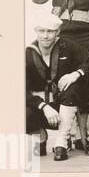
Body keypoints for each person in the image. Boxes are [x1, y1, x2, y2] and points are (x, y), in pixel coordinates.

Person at [25, 13, 64, 156]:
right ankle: (40, 135)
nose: (45, 36)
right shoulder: (28, 54)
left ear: (57, 32)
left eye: (50, 31)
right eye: (41, 31)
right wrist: (43, 106)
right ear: (36, 31)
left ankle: (64, 140)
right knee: (21, 113)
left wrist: (77, 73)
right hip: (40, 107)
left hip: (63, 104)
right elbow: (20, 90)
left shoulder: (67, 47)